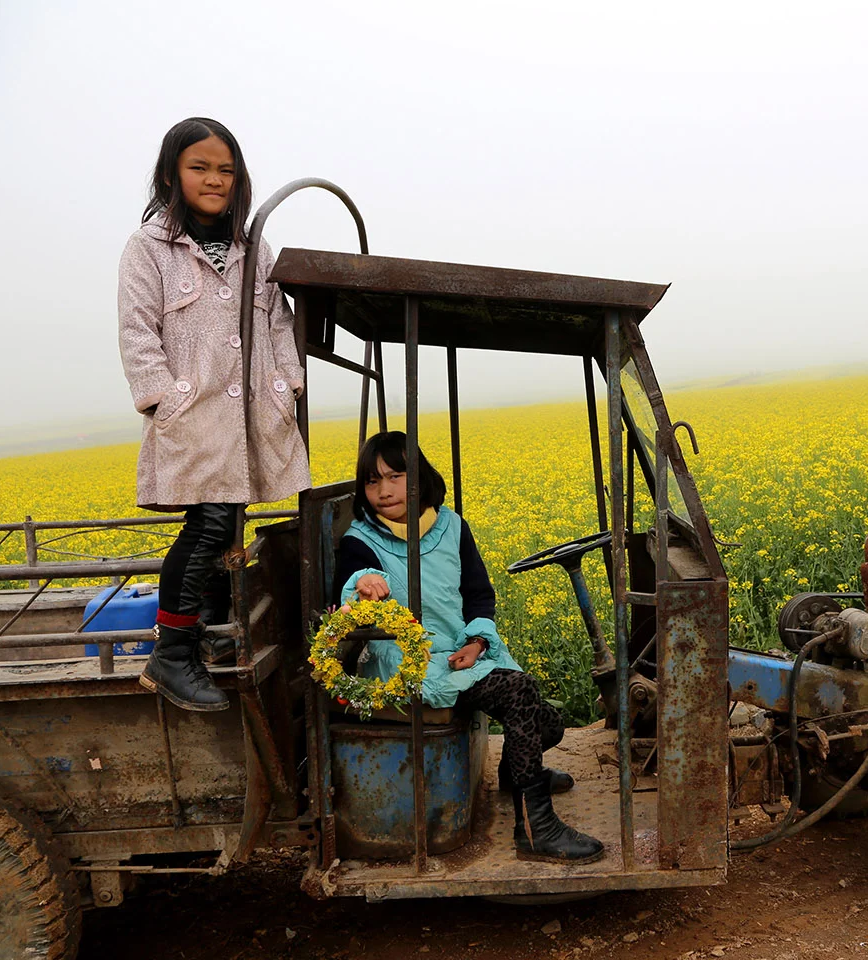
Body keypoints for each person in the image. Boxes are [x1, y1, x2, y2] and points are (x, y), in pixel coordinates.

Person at [332, 432, 604, 865]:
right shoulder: (360, 540)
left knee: (547, 724)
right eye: (371, 481)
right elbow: (351, 583)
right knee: (520, 696)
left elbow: (479, 593)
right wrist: (362, 585)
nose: (383, 491)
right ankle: (536, 831)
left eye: (395, 476)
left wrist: (478, 643)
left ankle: (517, 776)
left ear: (418, 476)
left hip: (460, 654)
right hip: (407, 665)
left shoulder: (450, 526)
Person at [118, 118, 310, 712]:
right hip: (193, 413)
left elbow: (278, 324)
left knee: (226, 527)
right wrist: (163, 398)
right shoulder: (148, 248)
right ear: (172, 173)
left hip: (251, 415)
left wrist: (288, 383)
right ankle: (173, 652)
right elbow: (136, 331)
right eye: (200, 167)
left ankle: (205, 633)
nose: (214, 179)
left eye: (225, 169)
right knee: (206, 525)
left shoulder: (255, 248)